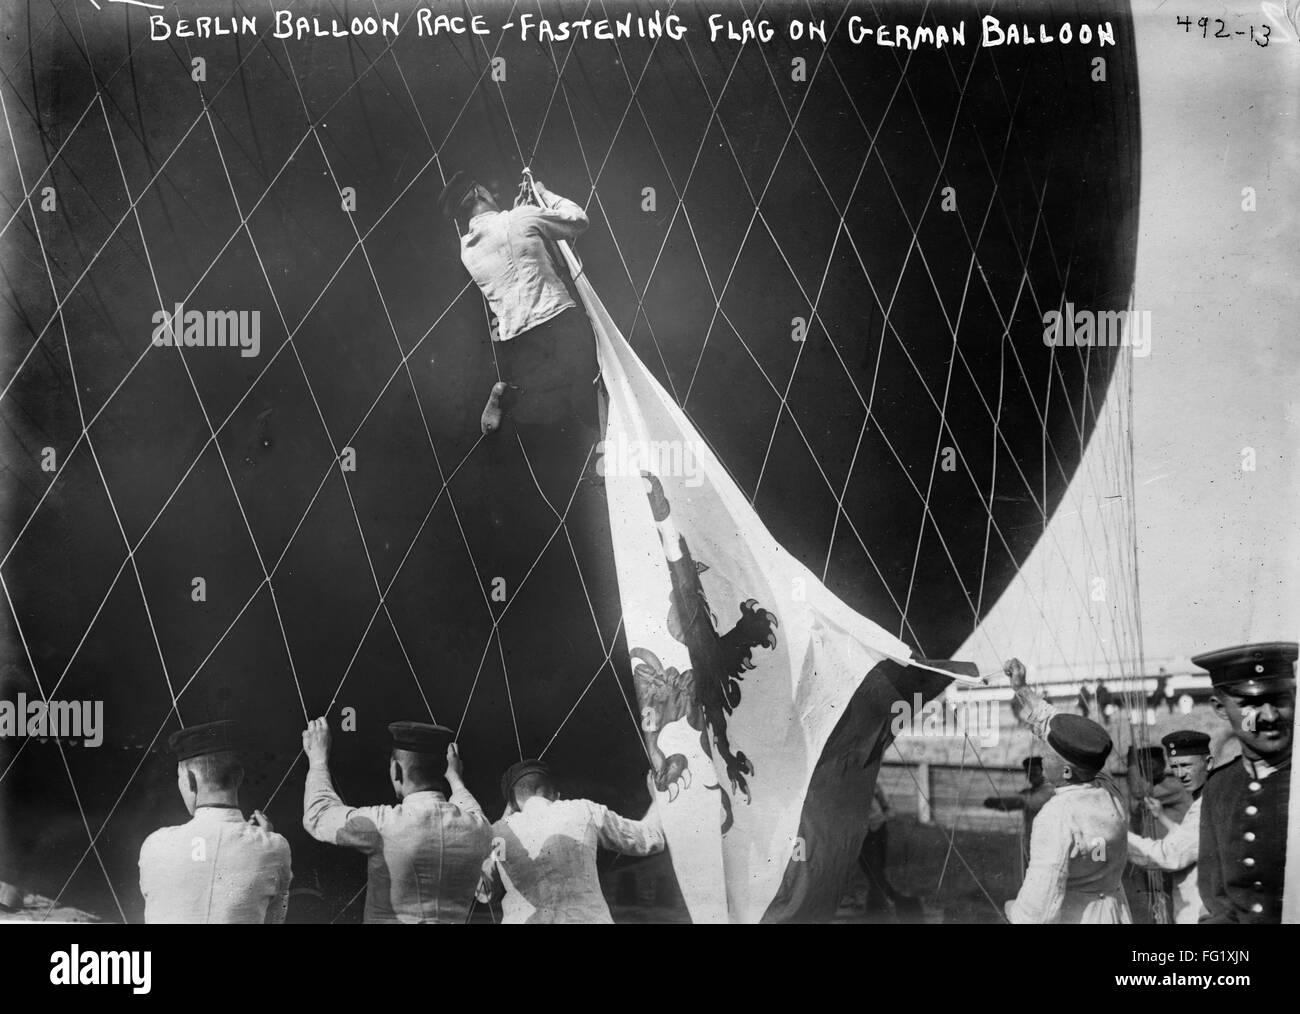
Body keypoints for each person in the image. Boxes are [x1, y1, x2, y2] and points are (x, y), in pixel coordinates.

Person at [439, 171, 599, 441]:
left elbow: (507, 244)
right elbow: (578, 220)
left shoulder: (467, 249)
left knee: (553, 394)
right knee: (592, 387)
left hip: (517, 339)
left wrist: (520, 210)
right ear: (480, 192)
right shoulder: (520, 218)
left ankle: (511, 392)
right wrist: (544, 194)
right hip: (557, 320)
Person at [301, 717, 491, 924]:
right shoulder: (479, 828)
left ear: (396, 771)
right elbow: (472, 808)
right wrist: (456, 779)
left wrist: (318, 761)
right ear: (442, 771)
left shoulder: (386, 823)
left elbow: (319, 815)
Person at [1002, 659, 1131, 924]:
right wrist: (1022, 688)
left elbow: (1040, 906)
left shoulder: (1057, 816)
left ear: (1066, 772)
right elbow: (1052, 726)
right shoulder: (1107, 787)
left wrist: (1014, 912)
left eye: (1046, 755)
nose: (1041, 754)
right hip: (1114, 912)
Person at [139, 720, 291, 924]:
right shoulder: (275, 847)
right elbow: (275, 919)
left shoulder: (154, 844)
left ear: (191, 780)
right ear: (239, 777)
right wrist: (265, 841)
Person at [476, 759, 664, 923]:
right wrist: (658, 800)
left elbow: (484, 892)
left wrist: (502, 823)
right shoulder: (584, 809)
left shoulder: (499, 833)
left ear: (512, 803)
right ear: (557, 795)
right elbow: (650, 839)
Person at [1194, 642, 1294, 924]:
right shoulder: (1220, 787)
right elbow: (1220, 903)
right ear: (1220, 708)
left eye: (1280, 699)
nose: (1270, 716)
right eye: (1250, 704)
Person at [1126, 730, 1211, 924]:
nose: (1180, 774)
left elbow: (1170, 855)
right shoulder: (1204, 797)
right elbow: (1192, 836)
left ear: (1209, 763)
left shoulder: (1179, 789)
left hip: (1198, 907)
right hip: (1188, 892)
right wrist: (1162, 817)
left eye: (1186, 765)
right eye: (1175, 767)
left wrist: (1118, 837)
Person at [984, 756, 1055, 871]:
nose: (1031, 775)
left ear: (1044, 771)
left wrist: (997, 801)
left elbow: (1027, 802)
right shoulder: (1030, 791)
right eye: (1029, 772)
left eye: (1035, 771)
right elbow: (1015, 802)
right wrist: (998, 804)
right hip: (1032, 842)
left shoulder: (1050, 790)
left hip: (1047, 844)